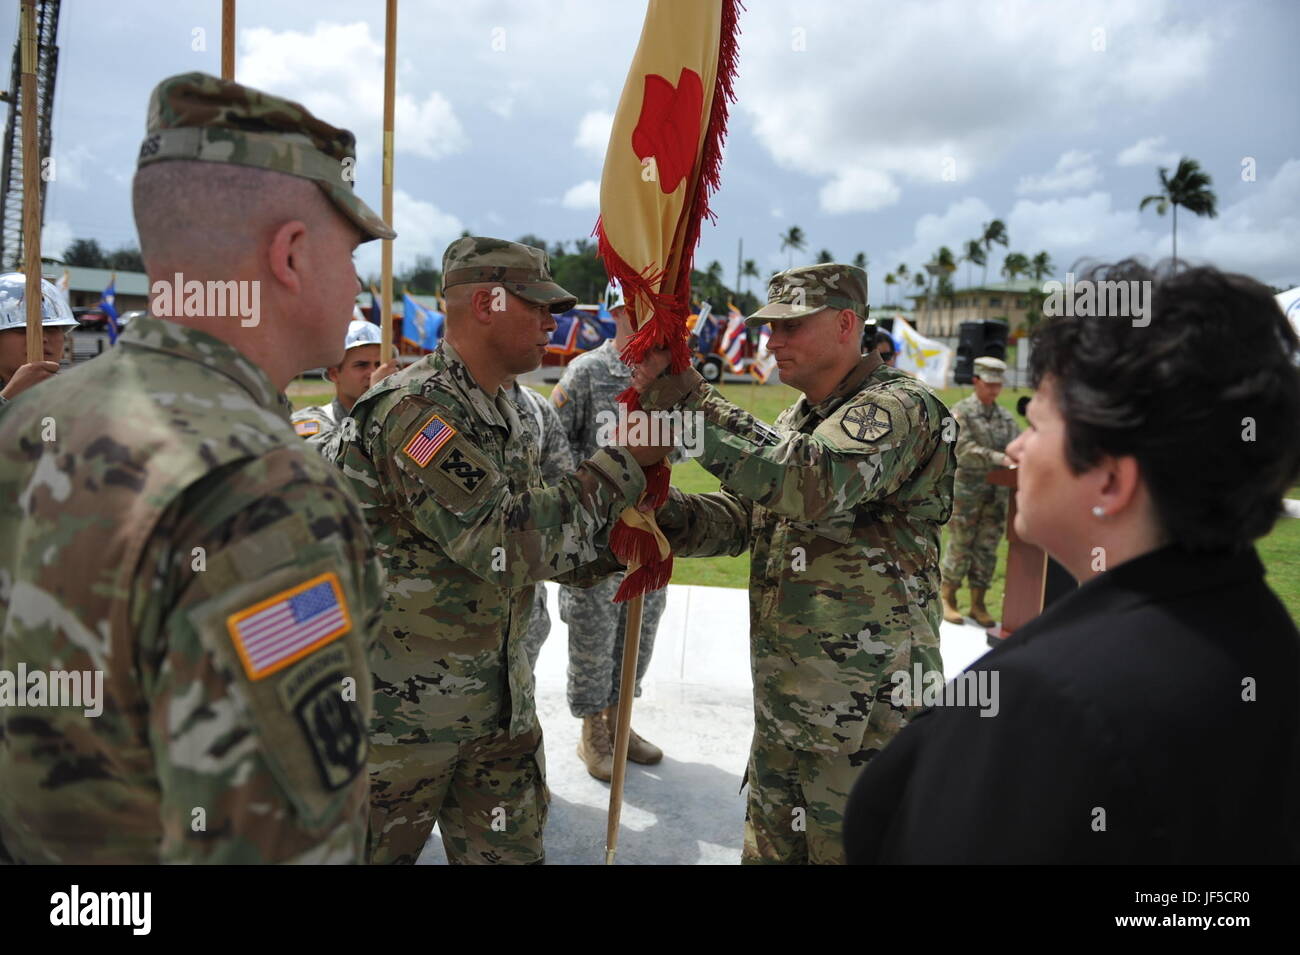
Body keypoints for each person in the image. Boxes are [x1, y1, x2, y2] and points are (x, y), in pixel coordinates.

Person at [0, 72, 394, 863]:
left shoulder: (31, 419)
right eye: (352, 253)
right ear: (290, 255)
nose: (359, 283)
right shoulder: (265, 494)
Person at [844, 260, 1300, 864]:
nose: (1017, 448)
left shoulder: (1042, 700)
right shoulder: (1266, 640)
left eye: (1036, 425)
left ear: (1110, 478)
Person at [337, 236, 671, 865]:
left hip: (500, 716)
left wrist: (636, 541)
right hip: (401, 726)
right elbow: (508, 537)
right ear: (485, 303)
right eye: (536, 306)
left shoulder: (520, 414)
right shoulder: (415, 411)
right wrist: (624, 459)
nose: (554, 322)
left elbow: (557, 541)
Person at [632, 263, 955, 864]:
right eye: (767, 327)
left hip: (866, 722)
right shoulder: (799, 419)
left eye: (790, 326)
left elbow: (806, 482)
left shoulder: (898, 408)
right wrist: (660, 513)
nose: (772, 341)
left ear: (845, 324)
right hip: (790, 707)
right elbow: (744, 518)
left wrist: (689, 400)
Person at [550, 290, 668, 781]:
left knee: (639, 632)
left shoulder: (664, 378)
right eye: (640, 308)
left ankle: (621, 722)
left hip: (647, 534)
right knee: (593, 631)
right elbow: (554, 445)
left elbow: (679, 450)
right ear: (616, 312)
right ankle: (591, 730)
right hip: (595, 538)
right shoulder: (586, 372)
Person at [503, 371, 576, 673]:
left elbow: (564, 491)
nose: (547, 326)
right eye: (533, 318)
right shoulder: (440, 406)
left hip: (525, 602)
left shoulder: (537, 407)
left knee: (518, 697)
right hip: (459, 612)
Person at [939, 356, 1020, 626]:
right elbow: (963, 450)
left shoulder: (1005, 417)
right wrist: (1001, 460)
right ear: (976, 381)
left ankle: (978, 603)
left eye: (998, 385)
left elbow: (1015, 445)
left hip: (997, 494)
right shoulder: (960, 412)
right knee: (961, 544)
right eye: (989, 384)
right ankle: (947, 597)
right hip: (968, 492)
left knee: (987, 548)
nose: (995, 390)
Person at [292, 318, 395, 459]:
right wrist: (371, 401)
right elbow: (332, 461)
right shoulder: (310, 421)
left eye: (378, 364)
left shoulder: (393, 423)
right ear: (334, 374)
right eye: (361, 365)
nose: (373, 373)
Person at [0, 272, 77, 405]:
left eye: (52, 329)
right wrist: (8, 398)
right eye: (22, 330)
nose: (42, 338)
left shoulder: (77, 398)